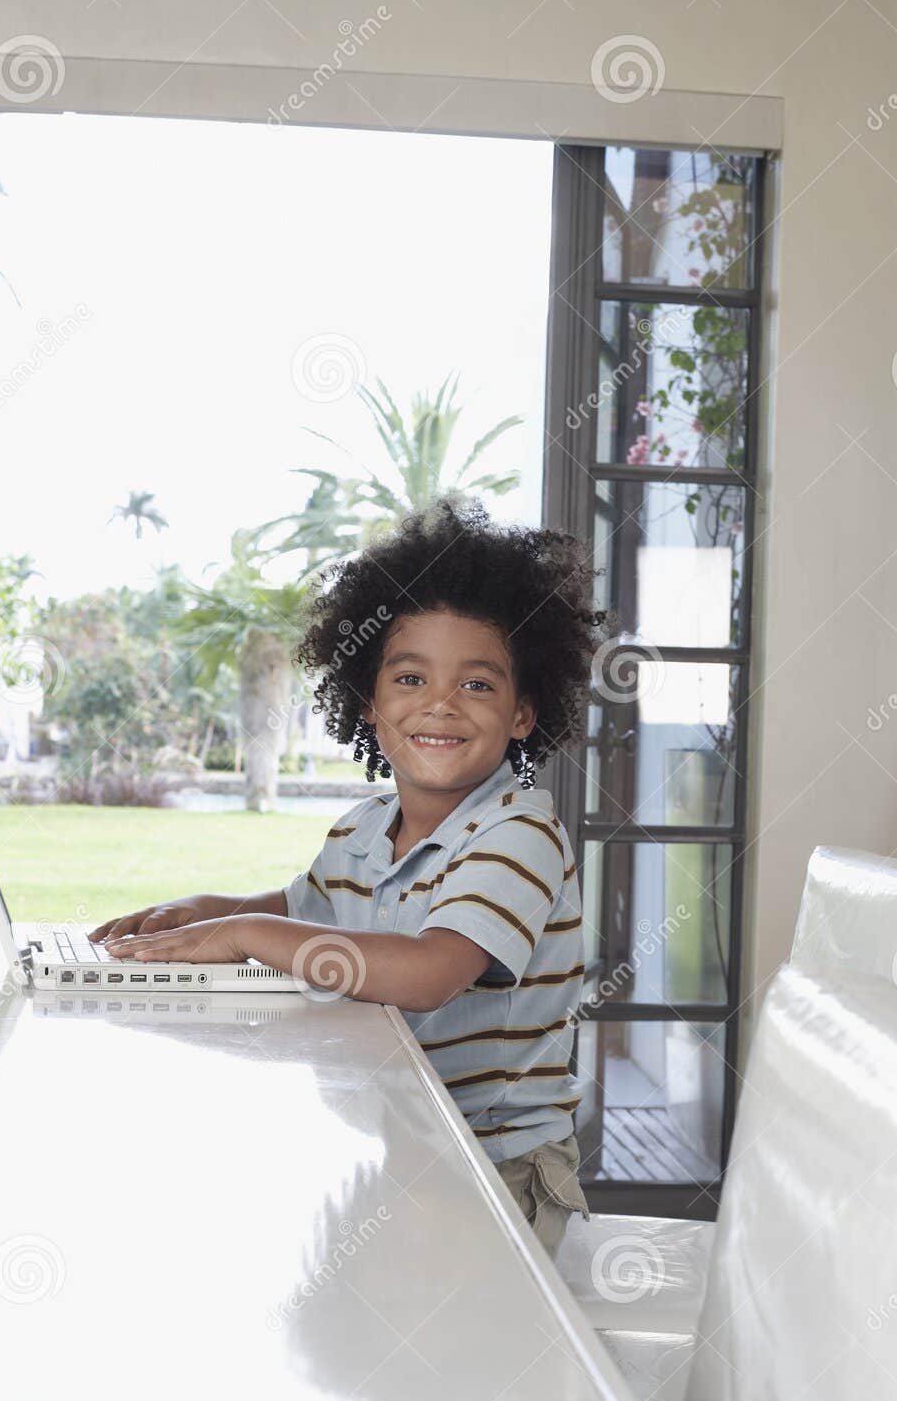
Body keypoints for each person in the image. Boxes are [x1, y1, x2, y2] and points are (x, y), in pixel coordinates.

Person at [90, 498, 607, 1252]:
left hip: (497, 1171)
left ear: (524, 713)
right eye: (409, 679)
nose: (439, 704)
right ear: (368, 703)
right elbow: (309, 910)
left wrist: (244, 932)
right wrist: (210, 910)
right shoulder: (364, 828)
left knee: (412, 1340)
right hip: (406, 1150)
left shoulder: (518, 833)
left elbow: (429, 971)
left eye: (477, 685)